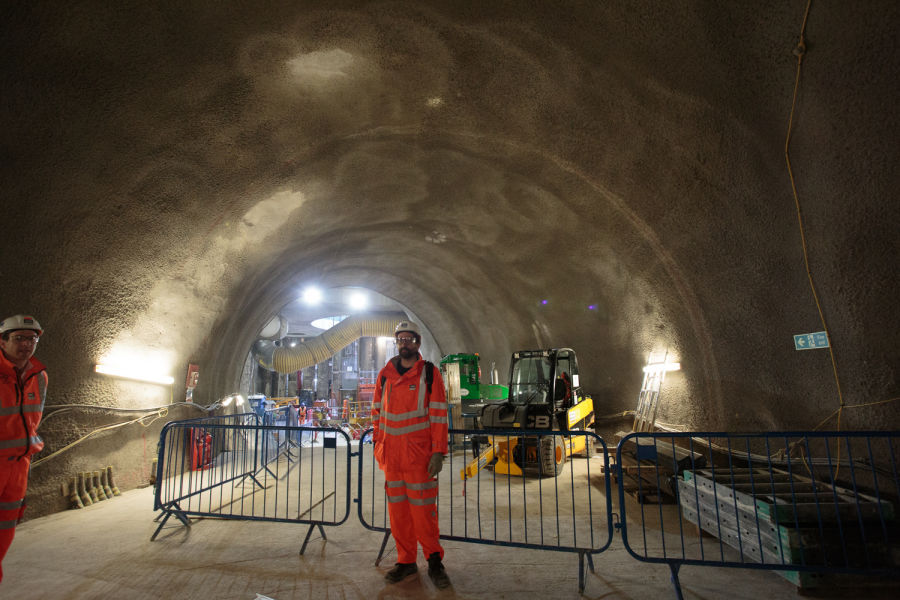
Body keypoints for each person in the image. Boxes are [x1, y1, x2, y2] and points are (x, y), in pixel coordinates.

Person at [372, 320, 450, 589]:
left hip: (419, 458)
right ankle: (406, 561)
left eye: (409, 339)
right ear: (397, 343)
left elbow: (439, 414)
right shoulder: (385, 375)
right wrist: (378, 445)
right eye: (400, 339)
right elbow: (376, 415)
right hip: (392, 459)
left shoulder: (429, 374)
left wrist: (438, 451)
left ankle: (434, 561)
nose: (404, 343)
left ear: (418, 343)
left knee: (424, 513)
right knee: (399, 514)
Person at [0, 315, 47, 583]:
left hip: (19, 466)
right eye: (19, 338)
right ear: (3, 341)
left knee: (5, 531)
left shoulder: (38, 376)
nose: (26, 345)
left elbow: (32, 421)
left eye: (32, 339)